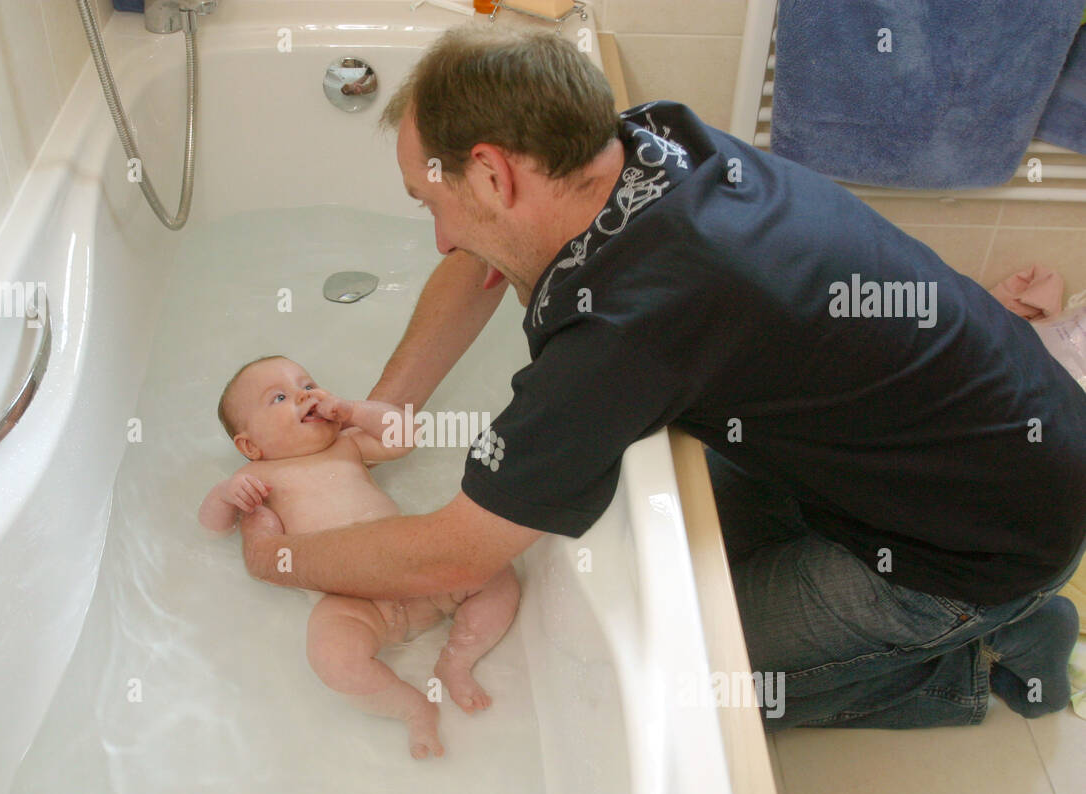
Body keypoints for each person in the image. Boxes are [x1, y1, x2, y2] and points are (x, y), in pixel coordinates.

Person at [239, 24, 1086, 730]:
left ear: (496, 174)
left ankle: (974, 659)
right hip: (987, 449)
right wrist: (392, 404)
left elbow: (450, 556)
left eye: (432, 203)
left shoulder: (629, 325)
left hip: (970, 554)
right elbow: (483, 259)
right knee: (645, 554)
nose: (436, 239)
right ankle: (1008, 609)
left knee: (668, 696)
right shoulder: (642, 142)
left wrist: (279, 557)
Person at [199, 356, 520, 758]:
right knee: (332, 656)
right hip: (349, 602)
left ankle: (458, 659)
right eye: (279, 397)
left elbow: (402, 436)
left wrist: (353, 411)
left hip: (415, 573)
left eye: (309, 384)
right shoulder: (261, 484)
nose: (305, 395)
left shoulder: (346, 444)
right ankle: (408, 705)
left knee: (495, 570)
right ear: (250, 446)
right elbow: (217, 530)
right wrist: (225, 495)